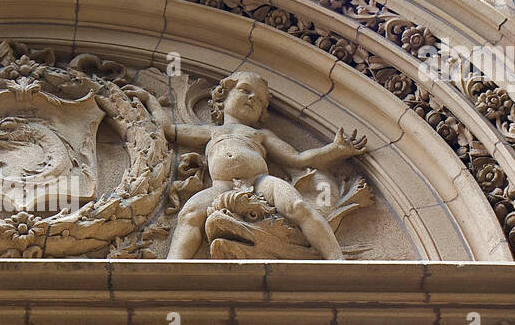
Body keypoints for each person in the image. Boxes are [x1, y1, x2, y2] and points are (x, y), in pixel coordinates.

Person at [157, 70, 367, 260]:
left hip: (260, 182)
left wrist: (335, 149)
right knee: (189, 213)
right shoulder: (211, 131)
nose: (251, 99)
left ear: (261, 114)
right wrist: (149, 99)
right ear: (223, 95)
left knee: (298, 206)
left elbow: (298, 158)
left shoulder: (260, 134)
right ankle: (173, 266)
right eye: (245, 91)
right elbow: (168, 128)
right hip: (221, 186)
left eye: (259, 100)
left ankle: (335, 258)